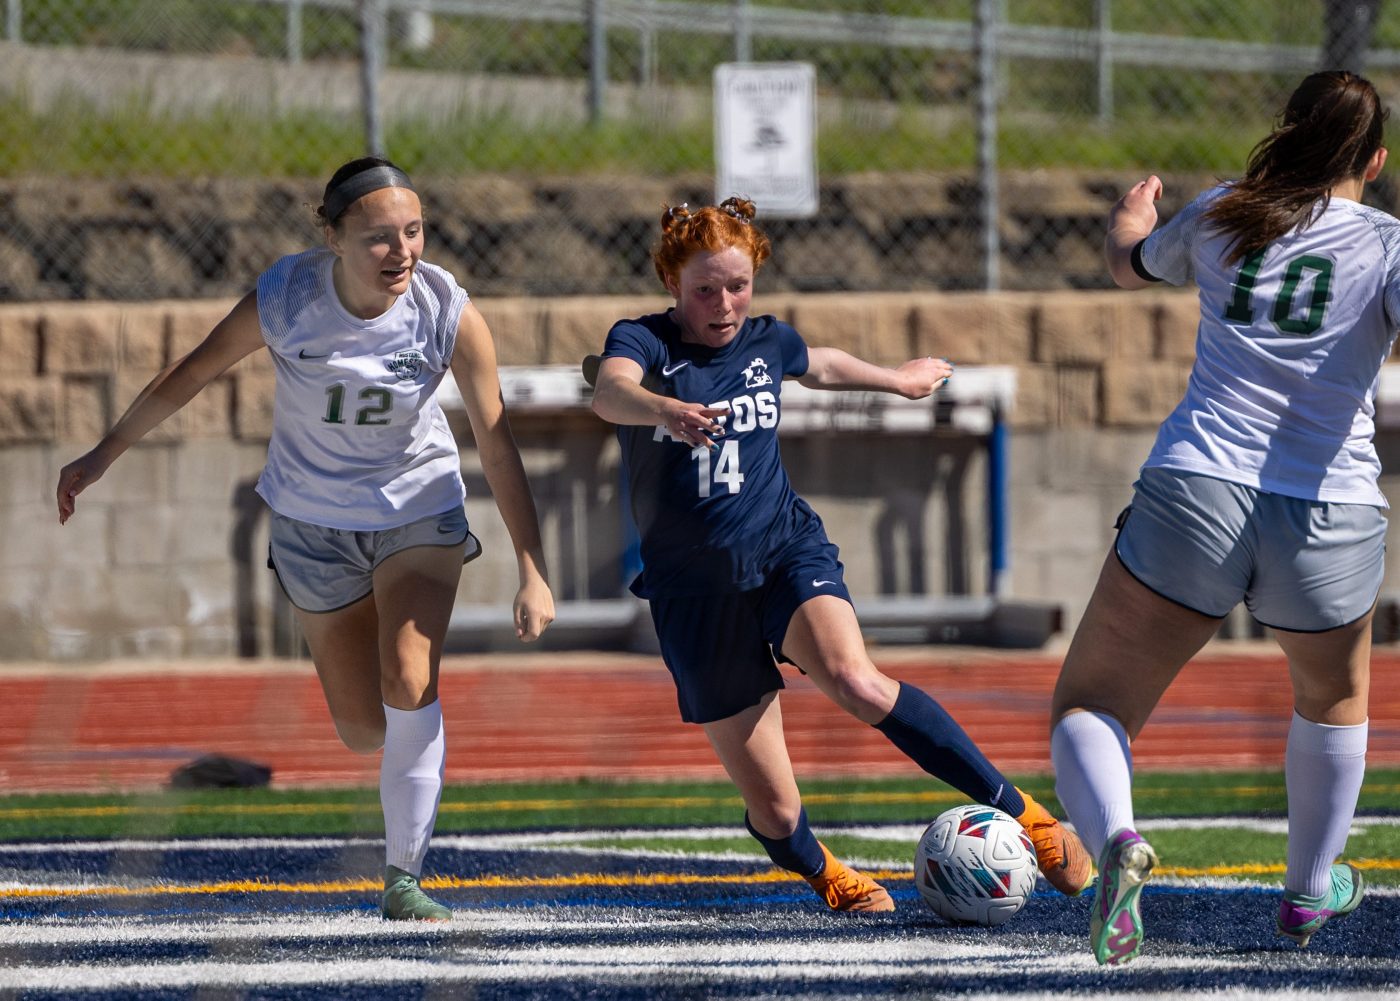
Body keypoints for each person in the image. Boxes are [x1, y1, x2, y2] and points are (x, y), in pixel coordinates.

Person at [55, 156, 556, 921]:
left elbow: (495, 442)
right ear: (332, 237)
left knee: (409, 673)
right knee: (363, 729)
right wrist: (101, 455)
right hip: (311, 522)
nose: (401, 251)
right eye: (379, 237)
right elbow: (191, 374)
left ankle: (403, 876)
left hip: (417, 510)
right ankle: (394, 733)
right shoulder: (288, 297)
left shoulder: (446, 310)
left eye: (414, 231)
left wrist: (532, 566)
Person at [587, 197, 1091, 913]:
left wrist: (897, 379)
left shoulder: (766, 340)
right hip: (693, 592)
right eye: (704, 290)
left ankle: (1028, 816)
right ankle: (828, 874)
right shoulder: (643, 341)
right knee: (775, 811)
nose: (724, 304)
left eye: (738, 285)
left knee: (858, 681)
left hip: (782, 550)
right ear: (672, 282)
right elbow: (609, 392)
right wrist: (663, 408)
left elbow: (817, 363)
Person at [1049, 69, 1392, 966]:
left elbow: (1128, 264)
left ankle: (1120, 840)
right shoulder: (1387, 243)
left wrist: (1129, 218)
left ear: (1287, 131)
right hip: (1330, 506)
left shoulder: (1222, 212)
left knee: (1092, 702)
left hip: (1198, 487)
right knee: (1332, 700)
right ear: (1375, 162)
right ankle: (1308, 888)